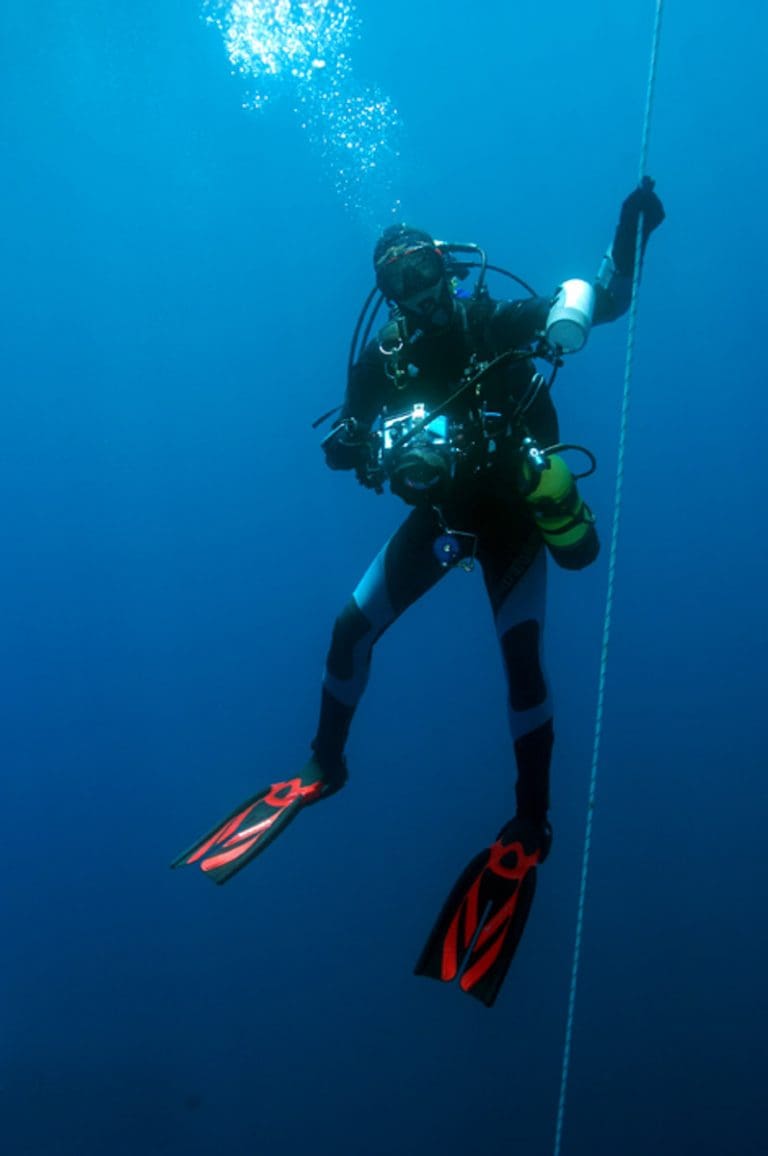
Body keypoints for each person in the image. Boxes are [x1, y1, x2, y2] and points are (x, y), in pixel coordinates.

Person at [173, 177, 665, 1006]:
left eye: (424, 272)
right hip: (442, 519)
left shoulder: (492, 323)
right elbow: (355, 441)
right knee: (348, 629)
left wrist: (630, 230)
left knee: (523, 667)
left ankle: (530, 821)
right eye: (399, 282)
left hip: (514, 519)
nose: (419, 292)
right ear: (388, 293)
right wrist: (352, 452)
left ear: (447, 267)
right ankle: (325, 764)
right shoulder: (382, 361)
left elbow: (604, 302)